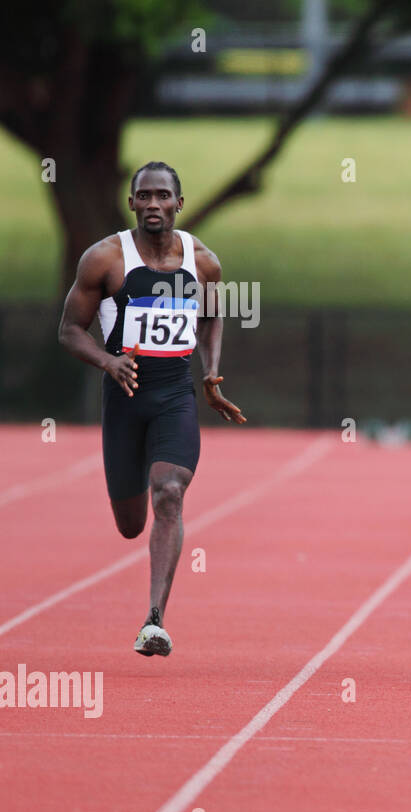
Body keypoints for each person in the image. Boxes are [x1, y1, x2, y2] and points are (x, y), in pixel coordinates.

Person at [57, 161, 245, 657]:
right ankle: (135, 480)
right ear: (132, 203)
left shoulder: (203, 261)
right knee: (130, 524)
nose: (154, 205)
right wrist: (108, 362)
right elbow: (70, 329)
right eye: (145, 196)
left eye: (164, 196)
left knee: (169, 493)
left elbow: (212, 317)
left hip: (174, 395)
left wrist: (211, 373)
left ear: (179, 203)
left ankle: (154, 619)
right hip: (123, 398)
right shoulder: (104, 259)